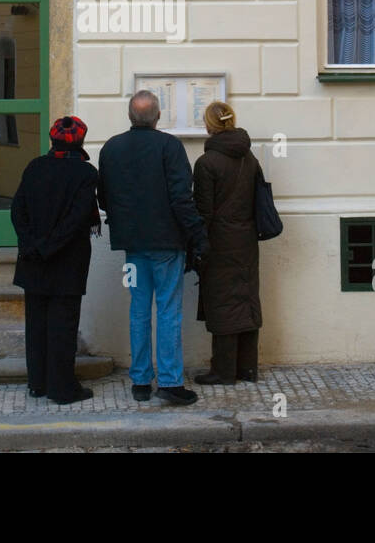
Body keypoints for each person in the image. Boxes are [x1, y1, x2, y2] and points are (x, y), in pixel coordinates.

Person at [98, 90, 210, 405]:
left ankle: (141, 380)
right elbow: (181, 197)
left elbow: (104, 197)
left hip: (132, 245)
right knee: (169, 310)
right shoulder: (169, 147)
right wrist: (198, 235)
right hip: (166, 242)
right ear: (158, 116)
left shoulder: (112, 147)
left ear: (130, 117)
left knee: (138, 309)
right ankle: (171, 381)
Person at [10, 115, 100, 404]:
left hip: (33, 259)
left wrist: (31, 245)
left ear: (53, 140)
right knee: (63, 325)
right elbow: (77, 219)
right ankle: (62, 388)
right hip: (66, 262)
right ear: (81, 141)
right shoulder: (86, 174)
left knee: (36, 325)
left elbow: (17, 210)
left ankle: (37, 383)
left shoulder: (35, 166)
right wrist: (49, 247)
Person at [191, 100, 262, 385]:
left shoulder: (207, 162)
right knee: (245, 298)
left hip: (219, 241)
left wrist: (198, 246)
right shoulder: (250, 157)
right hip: (246, 238)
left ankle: (223, 371)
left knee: (222, 302)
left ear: (209, 125)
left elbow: (203, 211)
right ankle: (247, 368)